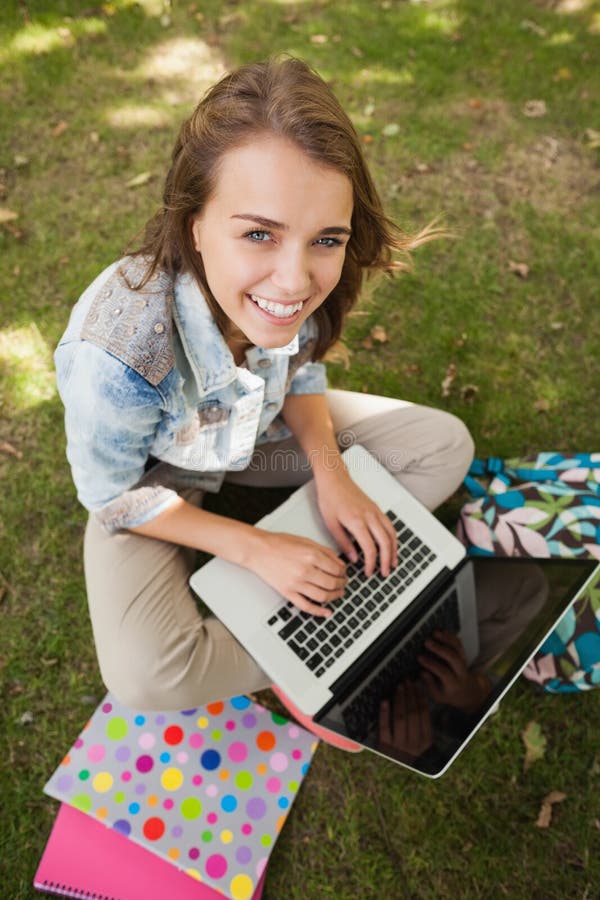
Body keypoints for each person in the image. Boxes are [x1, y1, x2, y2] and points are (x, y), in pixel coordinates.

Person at [54, 57, 474, 748]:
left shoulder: (296, 284)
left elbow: (301, 371)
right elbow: (110, 497)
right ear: (194, 224)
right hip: (156, 480)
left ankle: (322, 587)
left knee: (445, 445)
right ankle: (312, 640)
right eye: (259, 234)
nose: (296, 279)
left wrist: (333, 474)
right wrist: (255, 549)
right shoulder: (119, 357)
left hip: (253, 433)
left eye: (326, 240)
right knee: (145, 675)